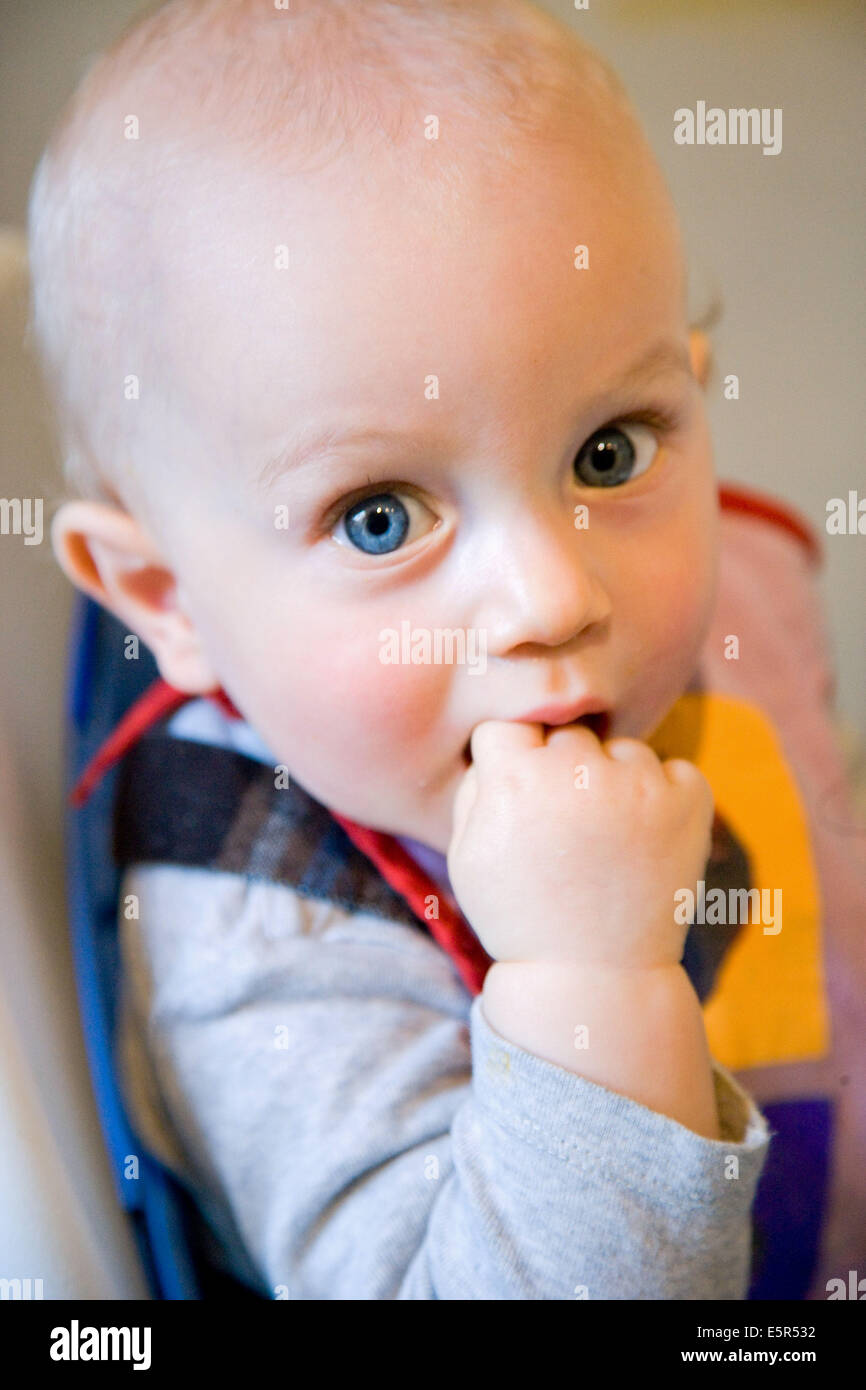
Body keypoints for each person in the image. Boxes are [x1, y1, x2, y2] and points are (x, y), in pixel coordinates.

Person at [30, 0, 774, 1298]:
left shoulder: (505, 690)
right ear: (172, 598)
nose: (550, 593)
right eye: (379, 518)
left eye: (608, 450)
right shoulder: (268, 951)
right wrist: (590, 976)